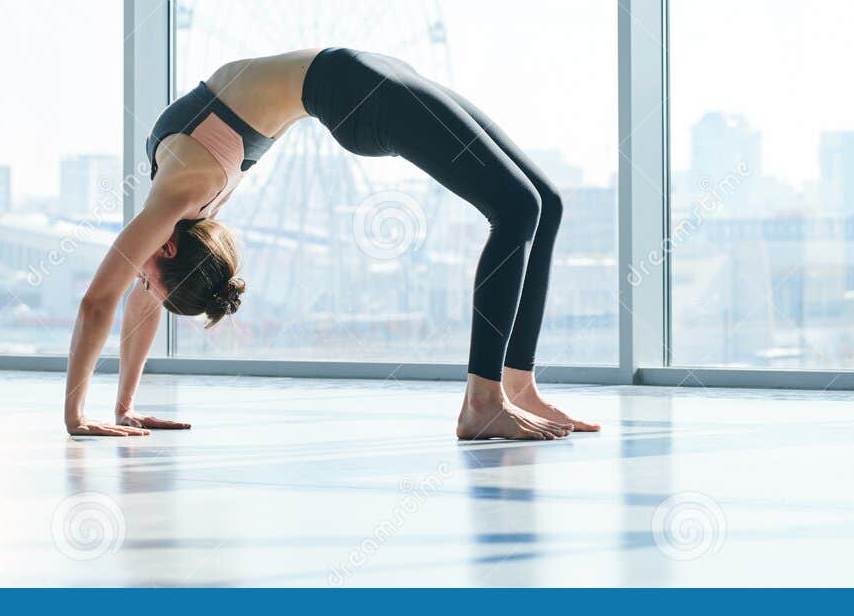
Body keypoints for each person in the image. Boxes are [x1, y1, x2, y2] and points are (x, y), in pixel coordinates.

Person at [62, 48, 597, 441]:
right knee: (515, 209)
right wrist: (105, 410)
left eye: (144, 276)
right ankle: (482, 402)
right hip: (357, 93)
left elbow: (100, 302)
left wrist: (95, 410)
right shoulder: (184, 199)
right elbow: (130, 300)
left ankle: (516, 386)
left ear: (170, 250)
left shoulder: (177, 202)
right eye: (145, 275)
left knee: (544, 203)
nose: (139, 276)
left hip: (362, 78)